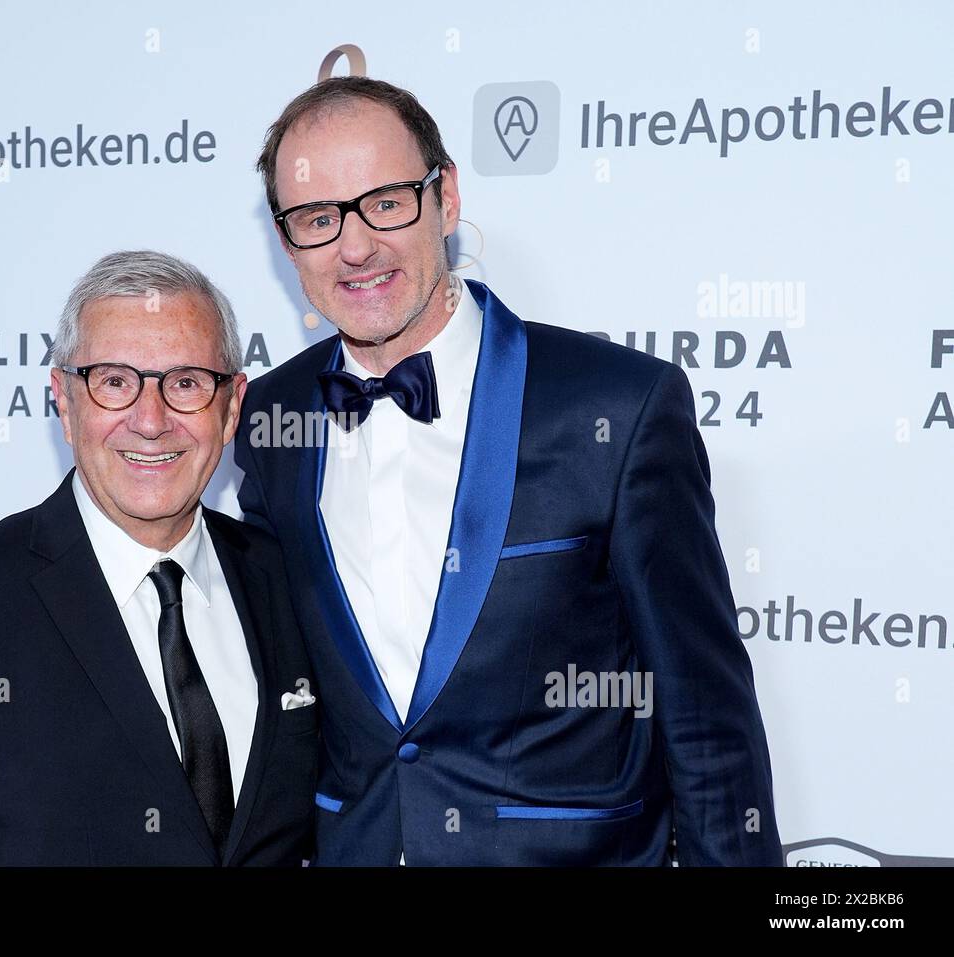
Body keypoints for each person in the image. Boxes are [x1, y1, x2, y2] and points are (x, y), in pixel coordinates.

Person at [234, 77, 781, 865]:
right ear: (287, 243)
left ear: (446, 197)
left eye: (384, 202)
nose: (354, 246)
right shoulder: (270, 417)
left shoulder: (618, 408)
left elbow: (704, 715)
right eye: (318, 220)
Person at [0, 250, 318, 866]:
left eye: (186, 382)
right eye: (115, 381)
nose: (151, 420)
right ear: (63, 399)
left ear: (232, 407)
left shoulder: (285, 578)